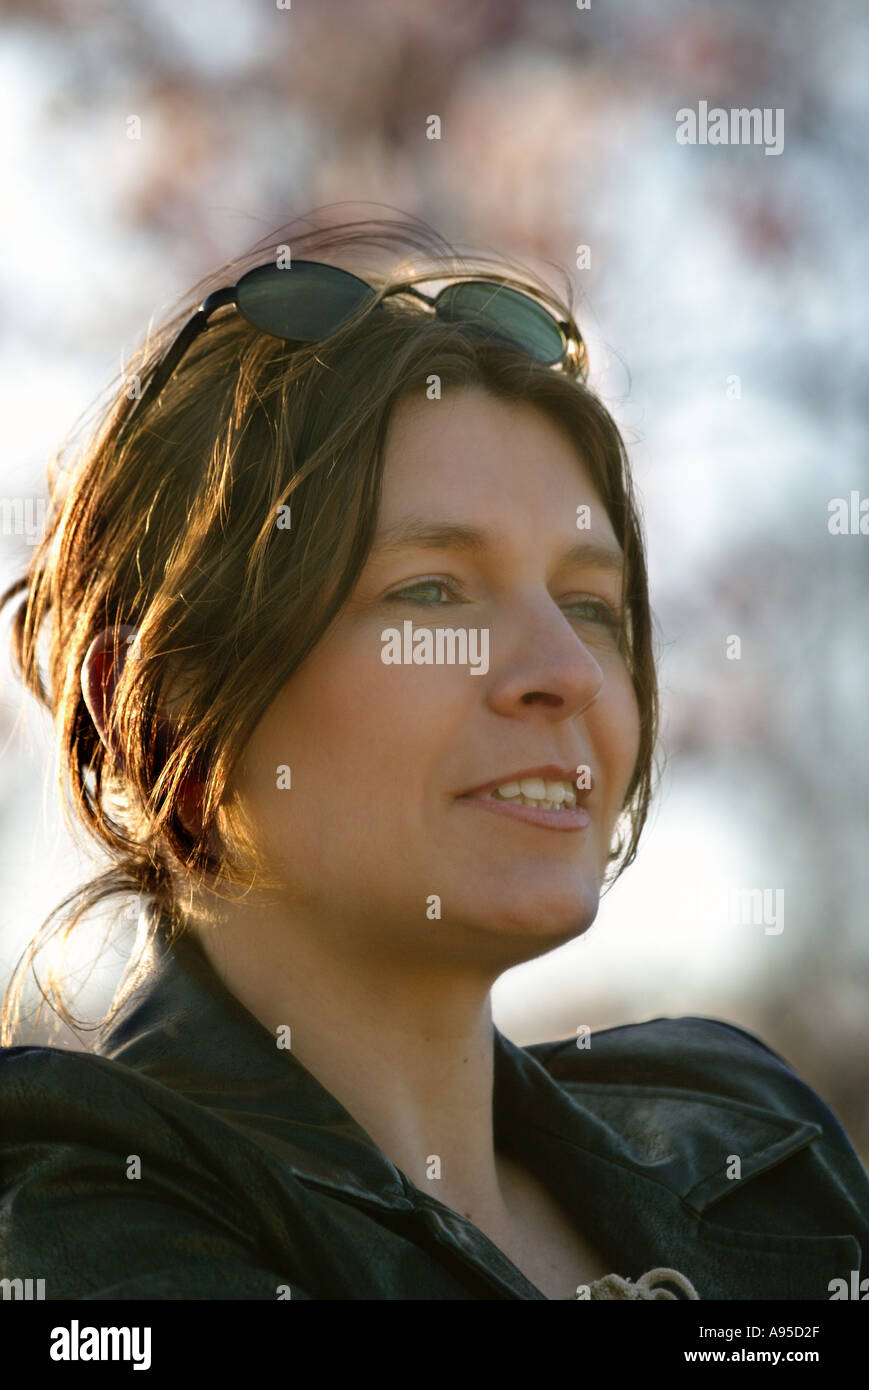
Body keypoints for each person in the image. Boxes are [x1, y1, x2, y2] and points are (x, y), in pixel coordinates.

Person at [0, 209, 866, 1301]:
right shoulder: (70, 1209)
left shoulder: (750, 1135)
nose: (566, 670)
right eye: (431, 593)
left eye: (590, 604)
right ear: (155, 700)